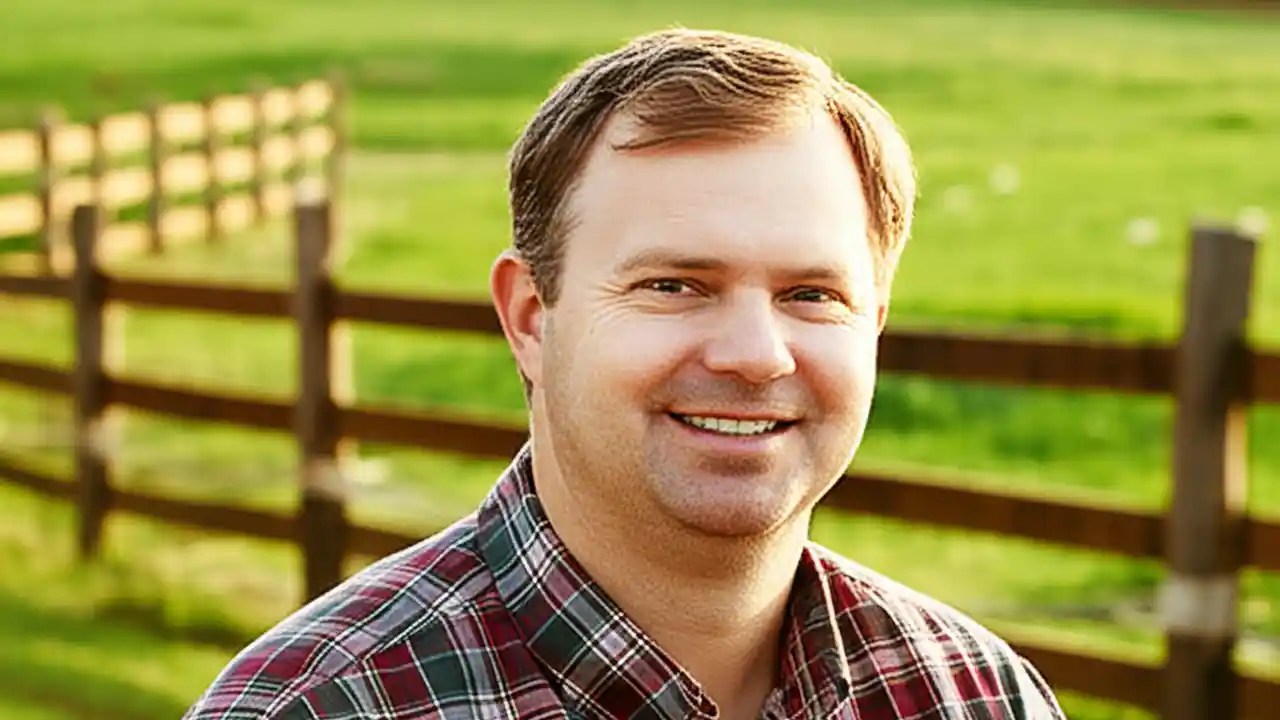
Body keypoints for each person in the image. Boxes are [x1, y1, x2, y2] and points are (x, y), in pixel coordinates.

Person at [184, 28, 1066, 720]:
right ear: (531, 318)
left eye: (811, 294)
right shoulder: (323, 706)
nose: (755, 354)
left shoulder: (973, 697)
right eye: (674, 285)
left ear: (873, 326)